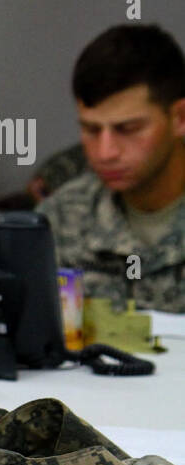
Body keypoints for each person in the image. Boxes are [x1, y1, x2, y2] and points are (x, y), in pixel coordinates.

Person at [37, 24, 185, 313]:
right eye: (91, 130)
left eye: (128, 129)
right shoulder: (61, 220)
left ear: (179, 118)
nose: (106, 153)